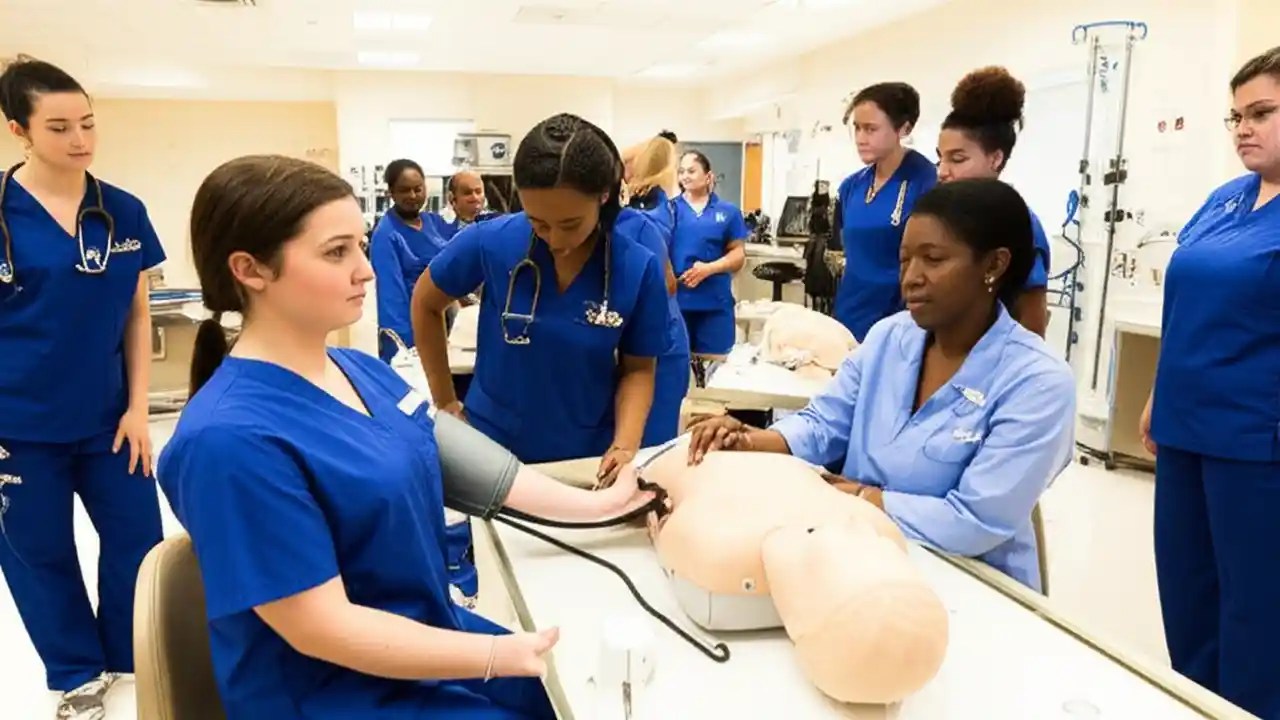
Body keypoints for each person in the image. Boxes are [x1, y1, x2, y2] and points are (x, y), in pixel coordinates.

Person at [156, 154, 655, 719]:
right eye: (336, 252)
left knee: (576, 693)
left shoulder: (358, 370)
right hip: (335, 692)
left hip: (418, 639)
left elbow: (460, 463)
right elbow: (322, 628)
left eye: (361, 246)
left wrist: (602, 506)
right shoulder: (228, 441)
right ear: (250, 269)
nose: (366, 271)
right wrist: (494, 655)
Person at [685, 179, 1075, 592]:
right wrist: (750, 440)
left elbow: (975, 521)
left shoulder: (1037, 382)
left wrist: (863, 498)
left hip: (973, 585)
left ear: (994, 265)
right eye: (905, 260)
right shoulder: (891, 337)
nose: (911, 278)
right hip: (864, 563)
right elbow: (824, 423)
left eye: (933, 259)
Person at [0, 57, 165, 720]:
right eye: (60, 126)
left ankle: (132, 656)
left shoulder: (121, 210)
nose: (80, 139)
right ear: (18, 130)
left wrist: (138, 407)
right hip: (16, 426)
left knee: (139, 541)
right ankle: (76, 673)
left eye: (88, 123)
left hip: (110, 420)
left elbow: (137, 312)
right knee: (39, 554)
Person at [412, 113, 670, 483]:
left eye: (570, 224)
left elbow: (639, 368)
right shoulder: (491, 241)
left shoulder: (636, 268)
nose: (556, 240)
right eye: (538, 223)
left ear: (604, 196)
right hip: (487, 451)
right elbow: (425, 302)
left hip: (584, 457)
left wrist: (624, 446)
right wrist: (446, 402)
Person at [1140, 47, 1280, 720]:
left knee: (1255, 609)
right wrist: (1156, 393)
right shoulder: (1226, 199)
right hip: (1183, 427)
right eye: (1236, 116)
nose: (1242, 129)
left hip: (1255, 444)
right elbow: (1187, 302)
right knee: (1188, 593)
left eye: (1262, 113)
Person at [936, 67, 1051, 337]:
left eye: (957, 159)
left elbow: (1032, 326)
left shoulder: (1019, 225)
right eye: (940, 158)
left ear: (995, 159)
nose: (942, 171)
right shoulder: (941, 219)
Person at [833, 82, 938, 342]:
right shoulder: (851, 187)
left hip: (902, 326)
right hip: (849, 317)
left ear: (904, 129)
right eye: (857, 128)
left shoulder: (926, 182)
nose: (860, 138)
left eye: (871, 129)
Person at [623, 135, 690, 446]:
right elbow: (667, 279)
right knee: (649, 438)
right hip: (661, 334)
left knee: (643, 435)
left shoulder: (637, 214)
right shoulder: (657, 211)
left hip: (654, 334)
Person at [370, 159, 451, 362]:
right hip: (414, 331)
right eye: (404, 190)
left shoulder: (433, 222)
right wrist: (406, 347)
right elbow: (391, 297)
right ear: (391, 193)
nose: (413, 196)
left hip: (444, 321)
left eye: (418, 189)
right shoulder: (387, 235)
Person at [671, 150, 748, 362]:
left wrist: (709, 269)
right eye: (681, 171)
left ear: (708, 176)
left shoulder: (728, 212)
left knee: (715, 367)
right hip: (677, 304)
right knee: (676, 366)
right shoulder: (670, 210)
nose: (685, 176)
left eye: (691, 171)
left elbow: (738, 254)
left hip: (714, 304)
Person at [427, 170, 496, 240]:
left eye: (478, 192)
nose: (475, 197)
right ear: (452, 198)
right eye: (467, 193)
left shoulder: (496, 226)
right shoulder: (439, 230)